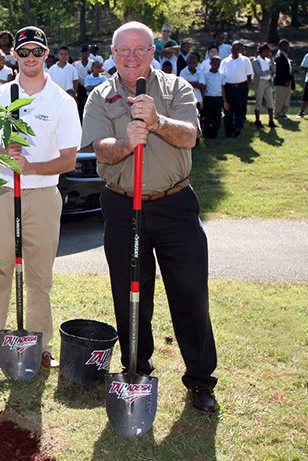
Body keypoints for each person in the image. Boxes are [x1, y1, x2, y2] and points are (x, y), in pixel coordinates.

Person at [80, 21, 219, 414]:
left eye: (140, 49)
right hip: (123, 206)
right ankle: (136, 367)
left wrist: (156, 121)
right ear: (112, 54)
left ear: (153, 51)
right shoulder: (100, 97)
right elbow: (101, 150)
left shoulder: (176, 88)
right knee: (130, 291)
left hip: (174, 204)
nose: (131, 57)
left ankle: (200, 380)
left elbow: (191, 135)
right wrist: (126, 142)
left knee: (190, 292)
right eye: (123, 50)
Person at [0, 26, 80, 370]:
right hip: (1, 192)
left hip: (42, 194)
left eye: (37, 52)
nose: (30, 58)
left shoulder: (61, 101)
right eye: (24, 52)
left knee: (40, 274)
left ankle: (40, 346)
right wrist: (0, 151)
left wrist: (29, 166)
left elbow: (68, 158)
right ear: (14, 55)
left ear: (47, 55)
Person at [220, 41, 253, 138]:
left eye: (238, 48)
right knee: (229, 111)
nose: (235, 50)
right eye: (234, 48)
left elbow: (249, 76)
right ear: (231, 49)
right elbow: (222, 77)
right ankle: (229, 131)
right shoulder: (225, 61)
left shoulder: (245, 60)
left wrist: (246, 88)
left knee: (240, 110)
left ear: (241, 50)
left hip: (241, 88)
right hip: (229, 88)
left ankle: (238, 129)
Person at [252, 44, 276, 128]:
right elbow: (259, 72)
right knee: (258, 102)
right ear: (263, 51)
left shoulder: (268, 60)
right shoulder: (255, 61)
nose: (269, 52)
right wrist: (268, 72)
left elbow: (273, 70)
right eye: (267, 51)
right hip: (260, 82)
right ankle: (257, 121)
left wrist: (272, 60)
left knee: (270, 102)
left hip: (268, 82)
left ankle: (271, 121)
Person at [201, 56, 225, 138]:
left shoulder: (221, 75)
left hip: (218, 98)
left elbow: (222, 88)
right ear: (210, 63)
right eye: (214, 63)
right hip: (208, 98)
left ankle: (214, 133)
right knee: (207, 116)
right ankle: (207, 132)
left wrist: (224, 101)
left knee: (217, 117)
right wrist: (202, 100)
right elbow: (204, 87)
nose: (216, 65)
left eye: (218, 64)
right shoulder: (206, 75)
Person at [273, 39, 294, 119]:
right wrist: (286, 80)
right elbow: (280, 70)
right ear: (281, 46)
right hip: (281, 82)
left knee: (285, 98)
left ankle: (283, 113)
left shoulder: (284, 56)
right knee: (280, 98)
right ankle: (277, 113)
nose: (288, 48)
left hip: (286, 81)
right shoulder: (279, 56)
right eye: (286, 46)